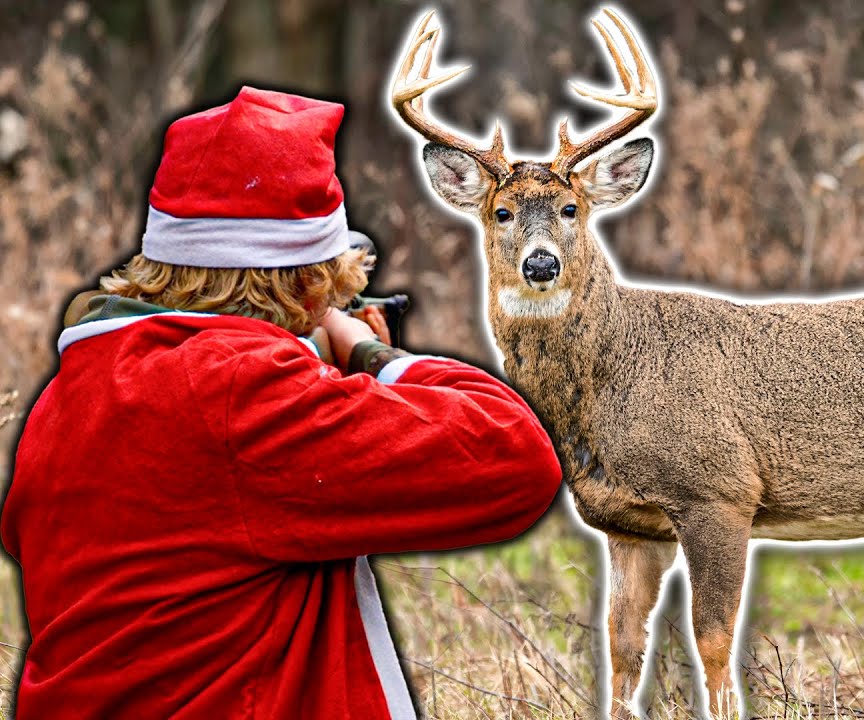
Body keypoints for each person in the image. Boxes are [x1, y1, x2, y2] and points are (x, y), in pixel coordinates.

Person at [0, 86, 562, 719]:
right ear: (305, 286)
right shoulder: (246, 394)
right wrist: (369, 356)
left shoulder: (69, 394)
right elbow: (515, 457)